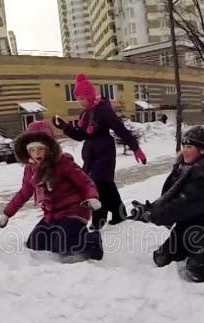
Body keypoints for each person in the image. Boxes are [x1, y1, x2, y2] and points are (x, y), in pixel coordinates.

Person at [129, 125, 204, 282]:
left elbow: (180, 207)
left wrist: (152, 215)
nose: (184, 151)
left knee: (197, 271)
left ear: (202, 150)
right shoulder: (183, 171)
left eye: (189, 147)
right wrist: (148, 209)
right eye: (184, 146)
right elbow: (170, 198)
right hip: (186, 228)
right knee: (161, 258)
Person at [52, 73, 148, 230]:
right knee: (106, 185)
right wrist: (64, 126)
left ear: (89, 95)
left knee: (97, 185)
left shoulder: (103, 111)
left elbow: (120, 129)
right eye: (78, 99)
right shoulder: (85, 114)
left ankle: (98, 221)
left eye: (82, 98)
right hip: (90, 155)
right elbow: (81, 136)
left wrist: (136, 148)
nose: (80, 101)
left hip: (104, 153)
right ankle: (119, 213)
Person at [0, 120, 104, 262]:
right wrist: (7, 213)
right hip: (52, 215)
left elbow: (86, 182)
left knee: (63, 245)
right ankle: (62, 237)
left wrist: (92, 197)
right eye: (32, 150)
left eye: (40, 149)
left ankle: (90, 240)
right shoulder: (30, 169)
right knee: (35, 243)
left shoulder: (63, 163)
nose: (36, 154)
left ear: (49, 148)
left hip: (74, 212)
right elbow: (24, 192)